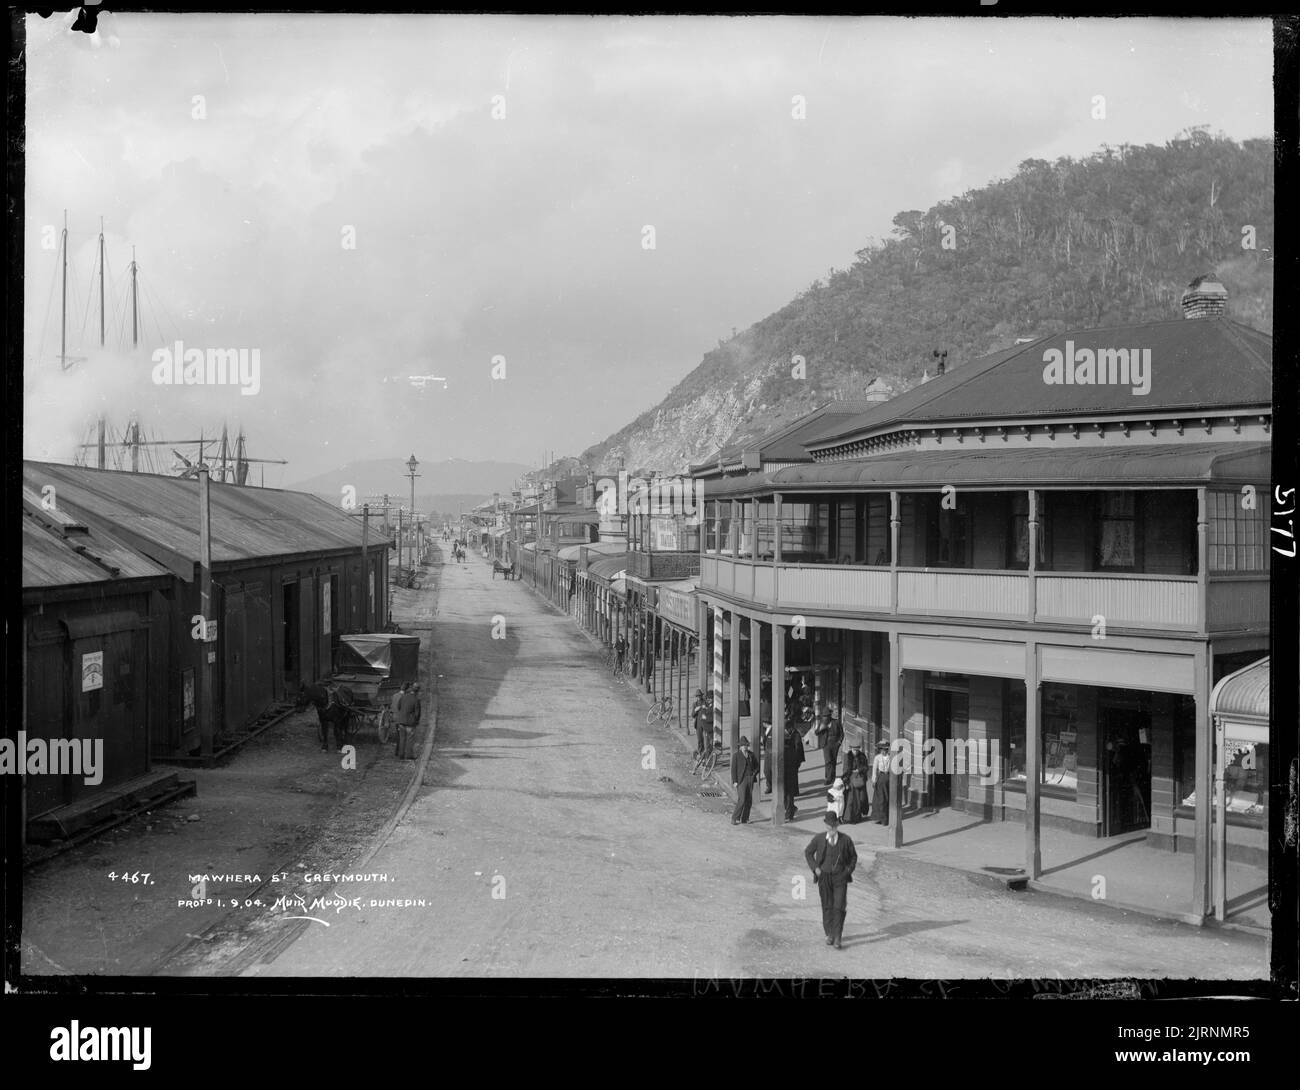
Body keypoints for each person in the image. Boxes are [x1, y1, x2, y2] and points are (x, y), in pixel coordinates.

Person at [804, 812, 857, 949]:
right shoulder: (819, 839)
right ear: (826, 825)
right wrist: (815, 868)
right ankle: (829, 934)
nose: (831, 828)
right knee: (827, 906)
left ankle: (838, 937)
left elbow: (853, 857)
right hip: (824, 877)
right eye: (829, 825)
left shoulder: (846, 840)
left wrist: (847, 872)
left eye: (833, 825)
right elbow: (808, 852)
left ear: (837, 825)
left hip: (840, 878)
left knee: (839, 907)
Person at [731, 736, 759, 825]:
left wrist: (754, 773)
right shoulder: (736, 755)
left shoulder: (751, 754)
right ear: (740, 746)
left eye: (746, 745)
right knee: (742, 799)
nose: (745, 747)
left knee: (749, 800)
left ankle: (745, 818)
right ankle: (734, 818)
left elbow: (757, 766)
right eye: (743, 745)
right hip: (741, 780)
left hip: (750, 778)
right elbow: (733, 769)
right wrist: (735, 781)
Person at [816, 701, 843, 786]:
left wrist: (839, 742)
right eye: (824, 716)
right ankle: (828, 778)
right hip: (826, 743)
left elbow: (842, 734)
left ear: (829, 715)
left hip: (835, 744)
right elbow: (816, 732)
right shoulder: (822, 723)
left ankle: (833, 777)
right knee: (828, 761)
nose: (825, 717)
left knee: (833, 761)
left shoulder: (836, 722)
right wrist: (821, 728)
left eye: (827, 716)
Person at [782, 721, 806, 820]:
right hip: (788, 768)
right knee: (787, 793)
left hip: (792, 765)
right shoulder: (791, 737)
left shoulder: (795, 736)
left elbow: (798, 748)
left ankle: (789, 812)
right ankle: (791, 809)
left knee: (789, 793)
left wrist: (797, 761)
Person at [395, 682, 422, 759]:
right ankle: (409, 755)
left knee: (402, 739)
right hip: (410, 723)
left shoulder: (403, 697)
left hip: (401, 721)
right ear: (417, 691)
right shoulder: (416, 700)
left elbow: (398, 706)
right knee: (410, 739)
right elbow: (417, 714)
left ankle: (401, 755)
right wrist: (416, 721)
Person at [844, 745, 870, 823]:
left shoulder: (862, 756)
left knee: (862, 798)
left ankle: (862, 812)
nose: (856, 752)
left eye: (857, 750)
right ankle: (852, 818)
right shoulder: (847, 757)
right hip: (851, 779)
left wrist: (859, 770)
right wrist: (845, 781)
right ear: (851, 749)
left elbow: (866, 767)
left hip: (861, 778)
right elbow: (845, 769)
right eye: (854, 750)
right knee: (852, 800)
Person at [870, 739, 891, 825]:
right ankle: (879, 818)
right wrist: (874, 780)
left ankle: (887, 818)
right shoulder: (877, 758)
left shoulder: (891, 757)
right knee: (880, 799)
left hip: (889, 778)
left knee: (887, 798)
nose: (883, 751)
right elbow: (874, 770)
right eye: (882, 749)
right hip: (880, 778)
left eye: (885, 749)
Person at [691, 689, 712, 758]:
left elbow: (708, 710)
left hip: (705, 723)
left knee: (707, 740)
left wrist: (705, 708)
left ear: (701, 696)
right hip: (698, 724)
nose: (698, 697)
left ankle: (707, 754)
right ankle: (700, 753)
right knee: (700, 739)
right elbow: (692, 715)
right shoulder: (695, 704)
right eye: (697, 696)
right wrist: (695, 710)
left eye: (699, 696)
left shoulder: (705, 702)